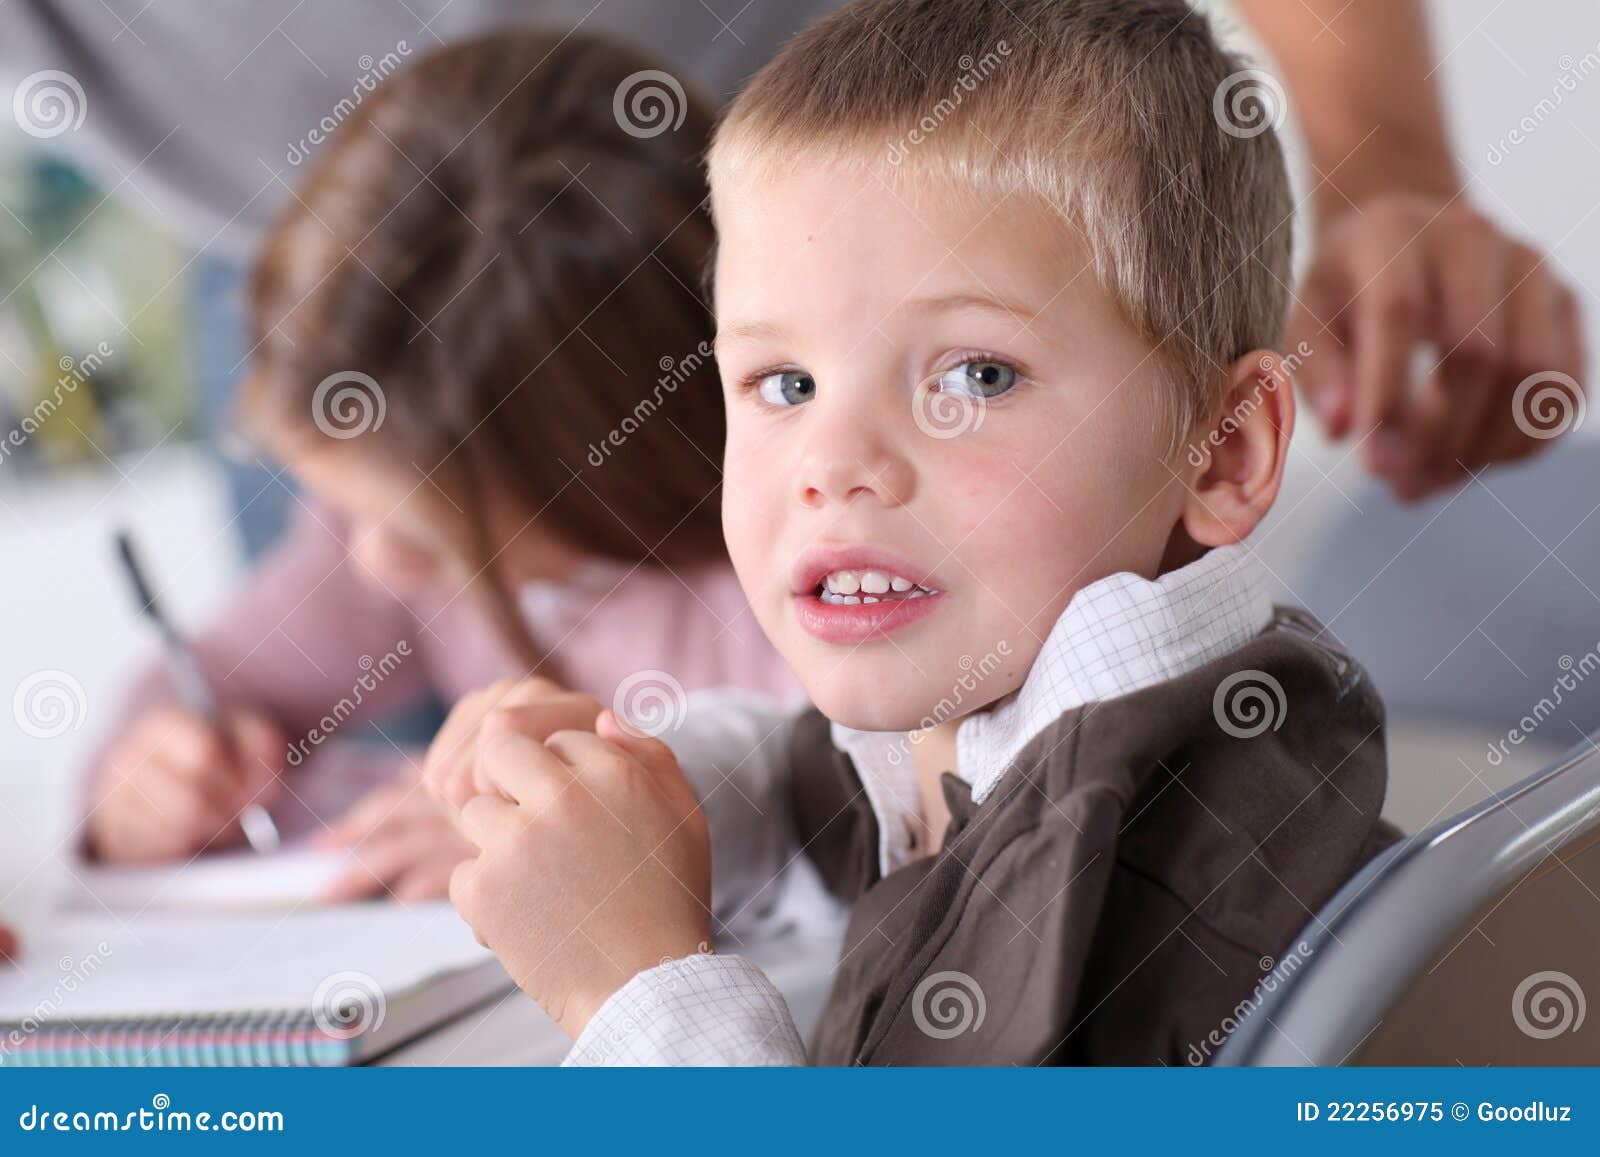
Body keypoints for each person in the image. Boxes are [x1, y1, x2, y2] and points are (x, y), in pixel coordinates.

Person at [423, 0, 1403, 1064]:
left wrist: (630, 980)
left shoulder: (1113, 845)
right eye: (784, 382)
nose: (832, 462)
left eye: (975, 376)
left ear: (1220, 451)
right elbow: (833, 783)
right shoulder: (1087, 699)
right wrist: (637, 782)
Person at [82, 31, 799, 902]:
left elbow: (852, 806)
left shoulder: (796, 558)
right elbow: (213, 677)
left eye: (423, 532)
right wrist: (158, 781)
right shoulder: (381, 532)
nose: (373, 560)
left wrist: (571, 827)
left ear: (604, 464)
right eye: (347, 508)